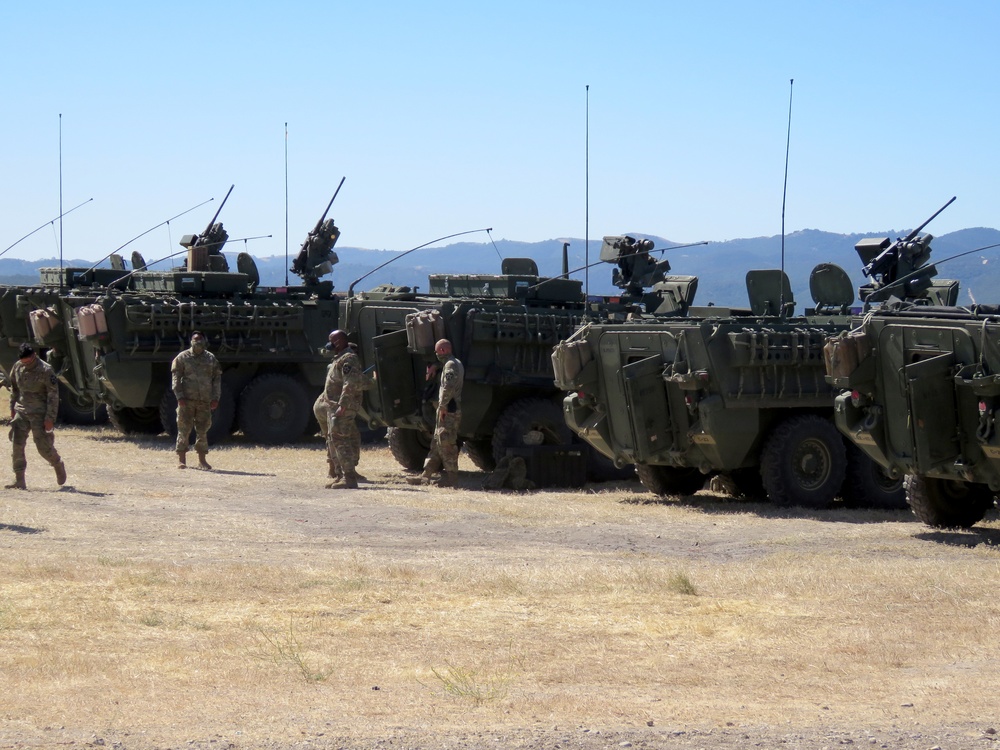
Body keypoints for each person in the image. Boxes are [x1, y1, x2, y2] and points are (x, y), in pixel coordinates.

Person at [6, 342, 66, 489]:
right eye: (23, 361)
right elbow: (14, 389)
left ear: (33, 356)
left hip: (40, 413)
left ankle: (57, 463)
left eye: (28, 361)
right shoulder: (18, 367)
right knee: (17, 445)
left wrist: (50, 419)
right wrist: (12, 408)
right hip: (22, 410)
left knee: (43, 447)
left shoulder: (46, 370)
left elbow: (53, 396)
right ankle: (19, 480)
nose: (26, 364)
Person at [407, 338, 464, 487]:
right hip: (447, 408)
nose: (436, 354)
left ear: (443, 350)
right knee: (437, 442)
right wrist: (435, 366)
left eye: (437, 351)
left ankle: (452, 478)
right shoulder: (453, 363)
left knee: (447, 443)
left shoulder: (451, 365)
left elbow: (448, 387)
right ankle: (426, 475)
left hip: (449, 409)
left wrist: (443, 406)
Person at [171, 331, 222, 470]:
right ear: (190, 341)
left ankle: (202, 460)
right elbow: (176, 378)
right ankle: (182, 460)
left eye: (200, 339)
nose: (198, 342)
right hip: (186, 400)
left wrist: (215, 397)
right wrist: (179, 396)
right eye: (195, 339)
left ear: (205, 341)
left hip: (204, 401)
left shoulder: (211, 359)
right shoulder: (182, 358)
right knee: (184, 429)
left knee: (203, 430)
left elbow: (216, 379)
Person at [324, 329, 363, 489]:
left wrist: (343, 405)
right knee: (335, 440)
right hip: (333, 406)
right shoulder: (338, 358)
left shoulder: (348, 359)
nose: (329, 344)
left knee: (341, 440)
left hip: (342, 407)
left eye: (332, 340)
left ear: (339, 342)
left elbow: (350, 383)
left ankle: (349, 478)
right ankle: (341, 475)